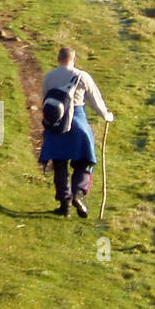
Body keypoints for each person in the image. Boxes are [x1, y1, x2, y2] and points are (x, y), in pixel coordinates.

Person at [40, 47, 114, 217]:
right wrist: (106, 116)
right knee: (84, 162)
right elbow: (96, 100)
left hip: (56, 124)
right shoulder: (82, 76)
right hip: (78, 124)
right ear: (74, 59)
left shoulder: (49, 77)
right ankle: (78, 194)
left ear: (58, 59)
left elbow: (45, 99)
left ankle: (64, 205)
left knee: (59, 165)